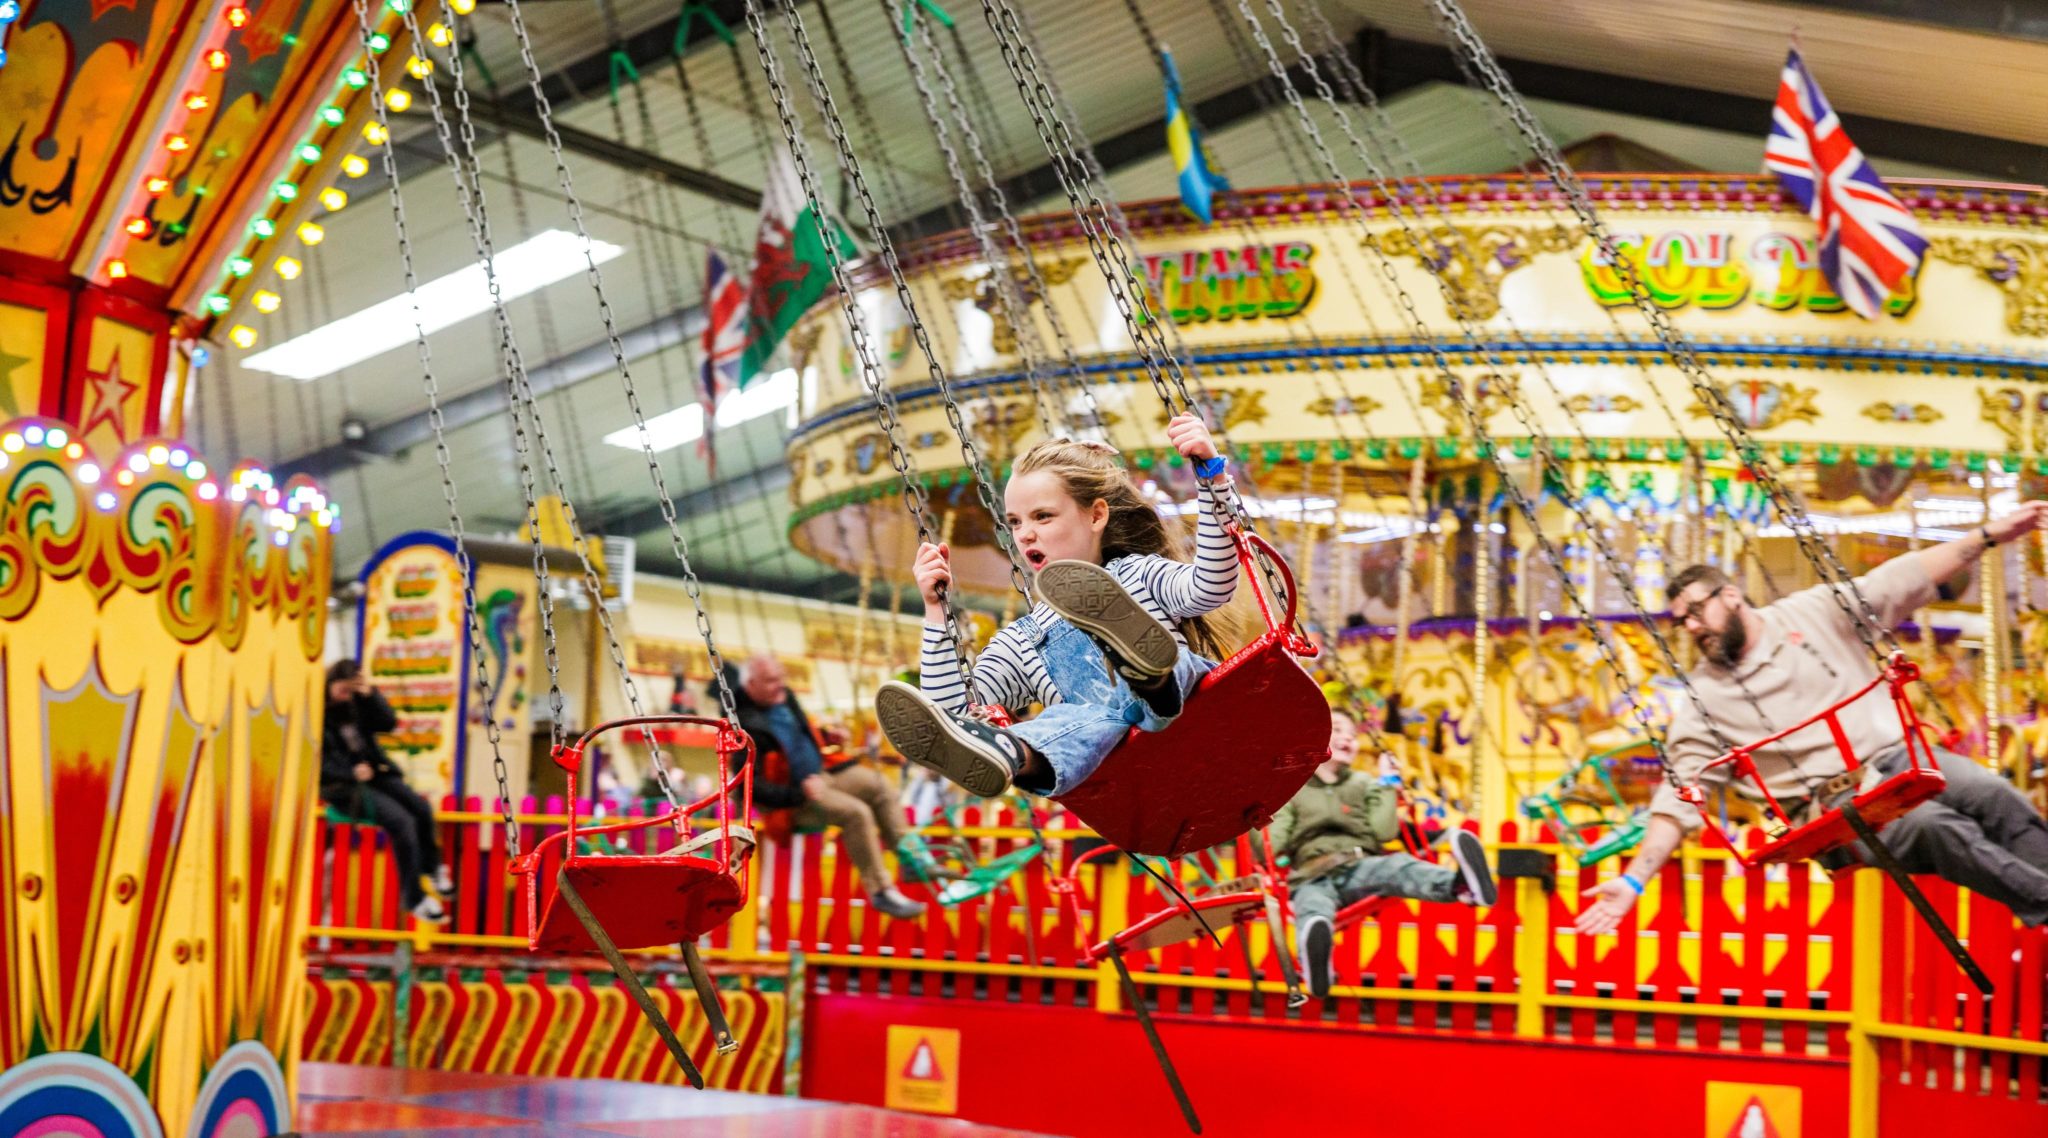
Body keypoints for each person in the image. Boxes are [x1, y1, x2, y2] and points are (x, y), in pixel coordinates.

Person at [1577, 501, 2048, 936]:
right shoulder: (1706, 698)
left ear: (1732, 595)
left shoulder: (1813, 612)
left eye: (1698, 611)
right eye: (1683, 622)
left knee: (1994, 795)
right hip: (1832, 811)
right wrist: (1635, 882)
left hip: (1895, 758)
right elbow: (1681, 792)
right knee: (1937, 827)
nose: (1693, 627)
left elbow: (1898, 580)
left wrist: (1990, 535)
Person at [874, 414, 1237, 799]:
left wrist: (1212, 479)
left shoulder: (1138, 575)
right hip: (1122, 765)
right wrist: (935, 610)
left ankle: (1149, 673)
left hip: (1189, 721)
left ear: (1096, 515)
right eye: (1014, 522)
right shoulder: (1024, 641)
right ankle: (1009, 752)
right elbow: (954, 714)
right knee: (1083, 717)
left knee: (1168, 668)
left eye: (1043, 516)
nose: (1024, 533)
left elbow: (1211, 585)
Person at [1271, 708, 1497, 998]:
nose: (1347, 738)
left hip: (1359, 867)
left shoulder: (1365, 784)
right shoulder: (1294, 788)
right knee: (1313, 907)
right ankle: (1315, 957)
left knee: (1398, 866)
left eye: (1352, 735)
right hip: (1311, 875)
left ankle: (1461, 886)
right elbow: (1274, 845)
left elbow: (1384, 832)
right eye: (1337, 730)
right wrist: (1268, 807)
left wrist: (1388, 784)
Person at [724, 654, 928, 920]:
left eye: (780, 679)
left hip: (822, 775)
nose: (779, 686)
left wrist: (826, 737)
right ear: (751, 684)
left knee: (879, 785)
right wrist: (799, 793)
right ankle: (881, 891)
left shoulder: (783, 698)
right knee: (856, 813)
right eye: (770, 681)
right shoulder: (743, 725)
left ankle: (908, 857)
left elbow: (800, 737)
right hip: (792, 803)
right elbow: (746, 787)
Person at [320, 659, 453, 922]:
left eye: (351, 690)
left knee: (421, 808)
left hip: (375, 773)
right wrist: (350, 773)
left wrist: (370, 695)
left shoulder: (356, 705)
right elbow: (317, 760)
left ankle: (432, 868)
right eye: (342, 690)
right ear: (330, 685)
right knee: (402, 822)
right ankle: (414, 898)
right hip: (343, 786)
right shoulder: (318, 713)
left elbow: (388, 723)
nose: (346, 696)